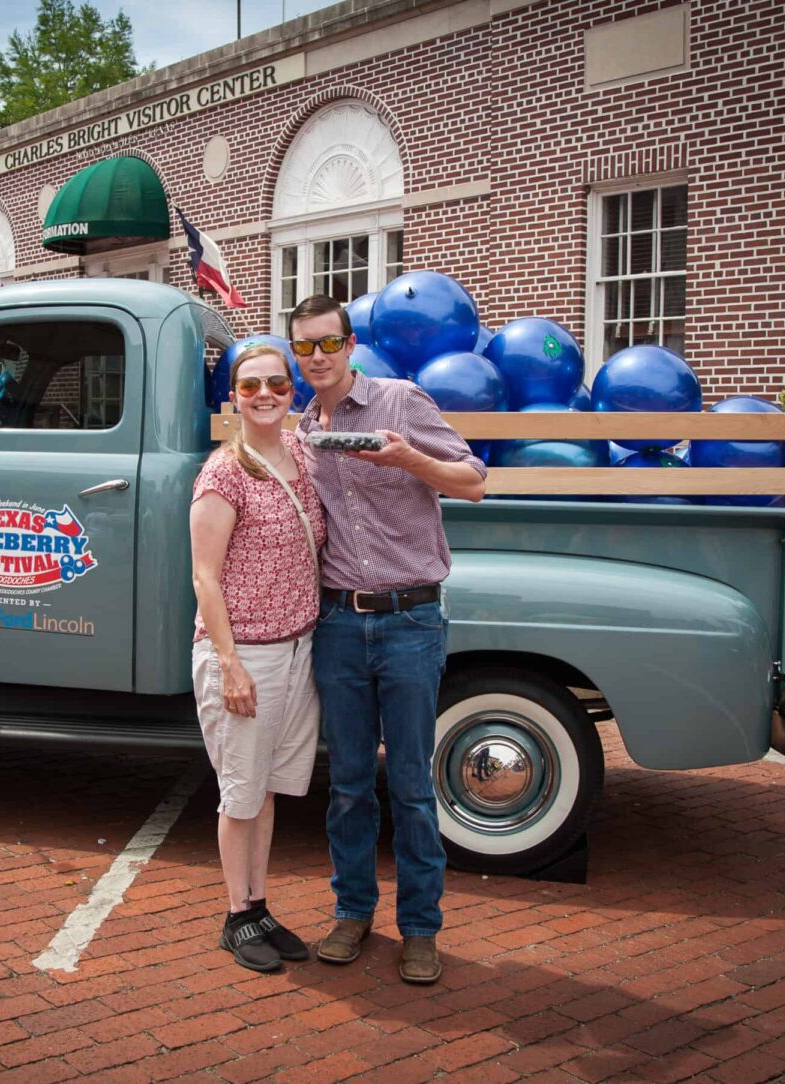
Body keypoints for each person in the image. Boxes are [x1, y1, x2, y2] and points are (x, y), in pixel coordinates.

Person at [289, 294, 487, 986]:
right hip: (339, 622)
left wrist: (409, 462)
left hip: (409, 620)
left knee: (409, 784)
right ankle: (352, 913)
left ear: (350, 344)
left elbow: (473, 483)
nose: (317, 357)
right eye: (304, 347)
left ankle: (421, 930)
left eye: (327, 344)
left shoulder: (400, 402)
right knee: (347, 785)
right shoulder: (301, 430)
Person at [189, 344, 326, 974]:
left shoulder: (301, 453)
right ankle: (235, 915)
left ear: (290, 391)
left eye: (276, 383)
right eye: (251, 386)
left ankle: (259, 905)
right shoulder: (222, 474)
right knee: (240, 793)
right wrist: (230, 664)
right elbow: (205, 578)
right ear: (234, 398)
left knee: (267, 789)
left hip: (298, 648)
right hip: (247, 652)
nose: (265, 394)